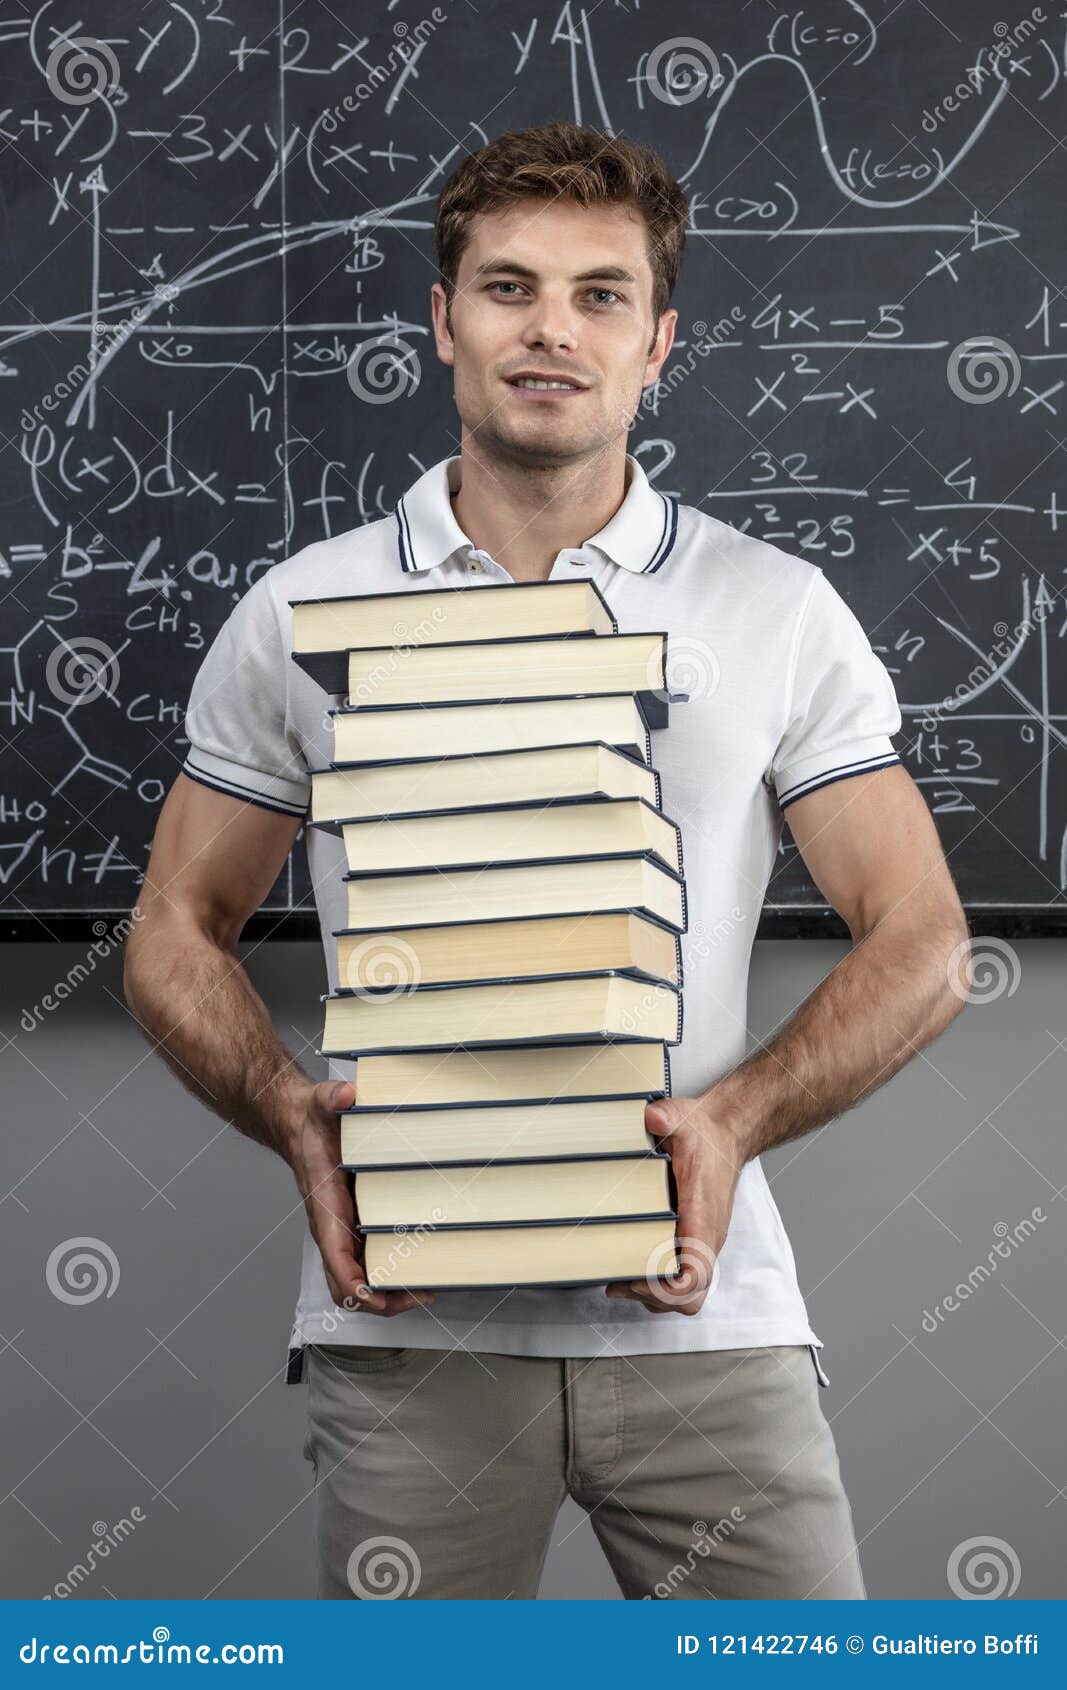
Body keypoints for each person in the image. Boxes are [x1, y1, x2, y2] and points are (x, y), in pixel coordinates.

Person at [123, 121, 970, 1600]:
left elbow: (923, 935)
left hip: (702, 1310)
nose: (551, 330)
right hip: (409, 1324)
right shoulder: (303, 610)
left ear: (660, 343)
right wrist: (292, 1119)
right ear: (443, 322)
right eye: (509, 288)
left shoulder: (773, 608)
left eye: (601, 295)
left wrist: (736, 1120)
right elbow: (173, 925)